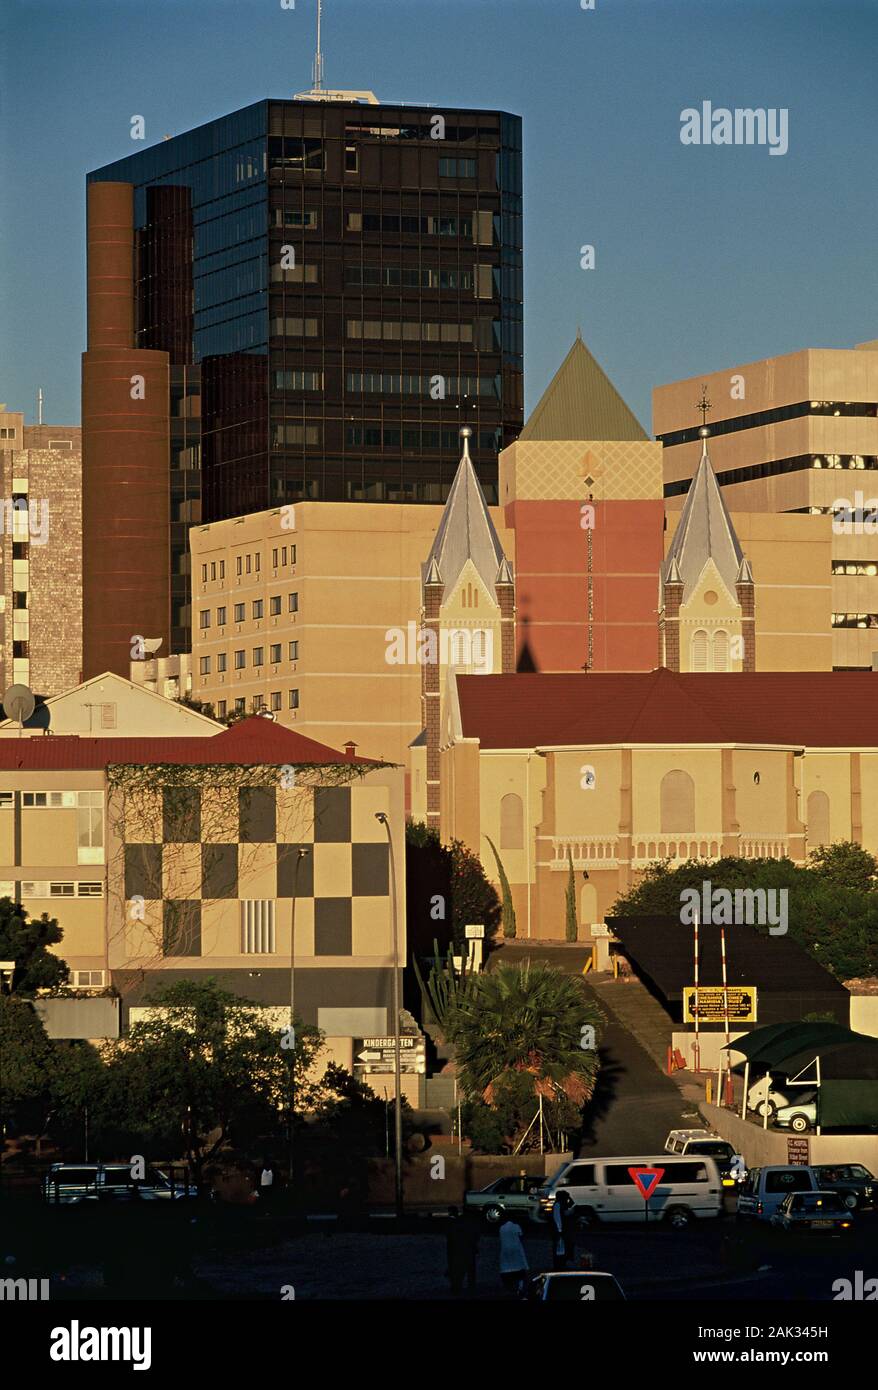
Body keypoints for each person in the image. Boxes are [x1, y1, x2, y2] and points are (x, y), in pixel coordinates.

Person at [446, 1207, 480, 1295]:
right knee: (470, 1270)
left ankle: (457, 1287)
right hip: (469, 1248)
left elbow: (452, 1236)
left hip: (458, 1248)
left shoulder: (457, 1221)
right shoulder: (473, 1222)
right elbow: (476, 1235)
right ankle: (471, 1287)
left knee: (459, 1269)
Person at [497, 1214, 529, 1296]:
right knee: (519, 1269)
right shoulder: (516, 1226)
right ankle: (520, 1288)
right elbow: (521, 1235)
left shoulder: (501, 1228)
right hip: (516, 1249)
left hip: (505, 1250)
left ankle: (509, 1288)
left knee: (507, 1268)